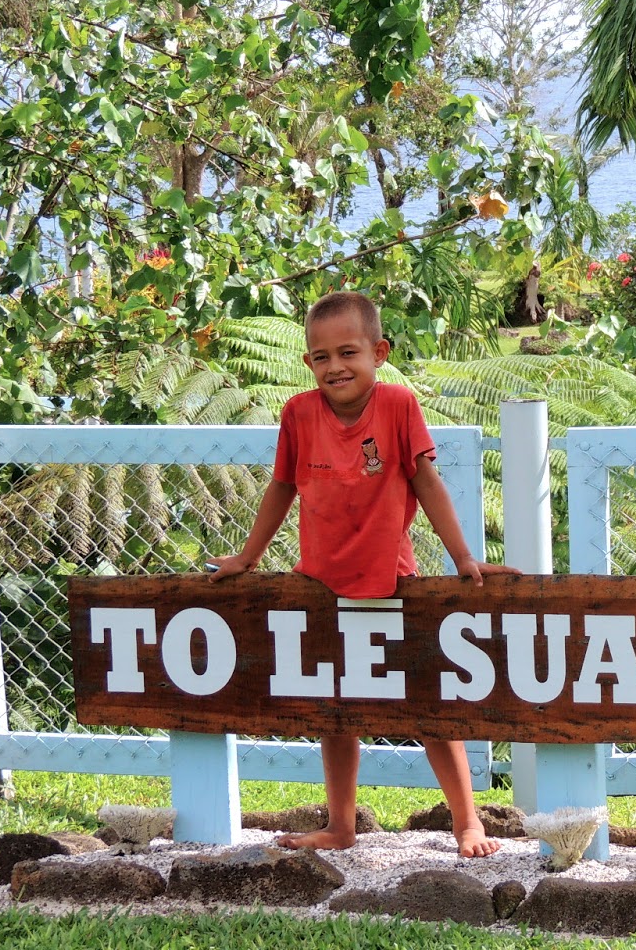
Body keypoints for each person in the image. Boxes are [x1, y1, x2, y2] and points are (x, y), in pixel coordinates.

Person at [206, 290, 519, 857]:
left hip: (391, 582)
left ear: (379, 352)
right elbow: (281, 486)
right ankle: (341, 826)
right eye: (321, 356)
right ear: (308, 364)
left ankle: (468, 823)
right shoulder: (298, 415)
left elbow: (426, 481)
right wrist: (246, 558)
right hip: (319, 583)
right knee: (335, 710)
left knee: (430, 709)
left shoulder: (398, 406)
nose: (335, 367)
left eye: (348, 352)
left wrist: (463, 556)